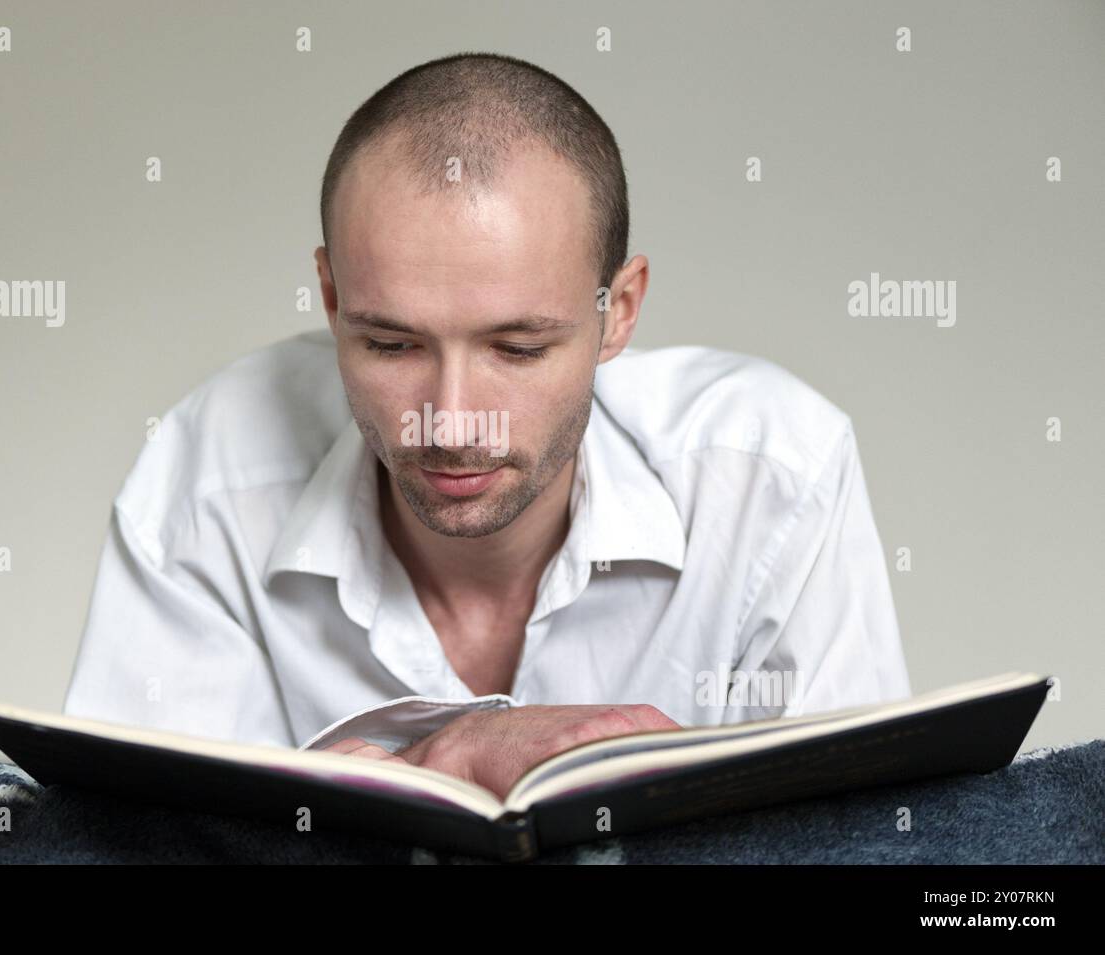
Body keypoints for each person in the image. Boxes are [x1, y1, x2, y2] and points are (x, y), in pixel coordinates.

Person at [62, 52, 910, 801]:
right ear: (329, 298)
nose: (451, 420)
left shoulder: (775, 477)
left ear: (619, 312)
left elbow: (858, 847)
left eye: (518, 346)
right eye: (391, 343)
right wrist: (456, 754)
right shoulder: (205, 484)